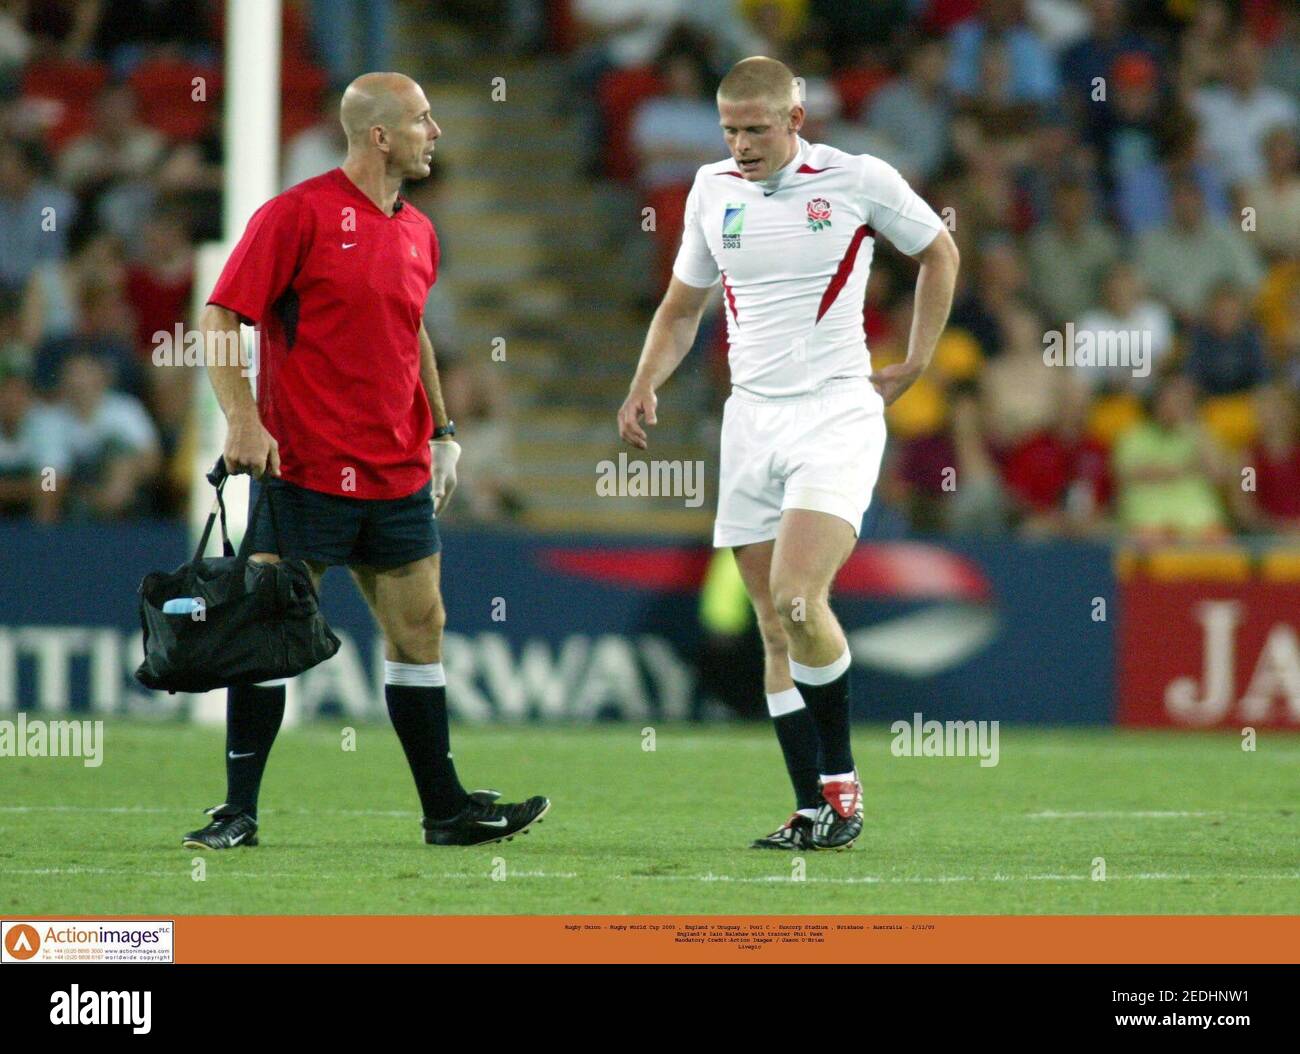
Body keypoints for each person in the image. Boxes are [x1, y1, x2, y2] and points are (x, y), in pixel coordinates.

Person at [187, 72, 549, 851]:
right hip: (307, 467)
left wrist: (444, 431)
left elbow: (410, 329)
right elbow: (220, 317)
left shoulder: (418, 229)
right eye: (423, 119)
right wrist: (242, 417)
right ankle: (237, 811)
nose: (436, 132)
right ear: (379, 136)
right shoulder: (297, 215)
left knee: (421, 632)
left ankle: (446, 812)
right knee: (268, 631)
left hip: (396, 473)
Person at [618, 56, 960, 851]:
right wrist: (643, 383)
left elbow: (939, 251)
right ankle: (812, 807)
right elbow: (680, 309)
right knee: (775, 629)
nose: (740, 144)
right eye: (729, 129)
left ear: (795, 121)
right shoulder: (712, 191)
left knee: (801, 598)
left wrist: (917, 358)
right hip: (751, 422)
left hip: (836, 414)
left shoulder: (856, 179)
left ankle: (843, 788)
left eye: (755, 129)